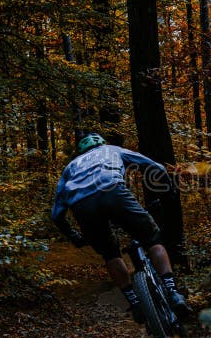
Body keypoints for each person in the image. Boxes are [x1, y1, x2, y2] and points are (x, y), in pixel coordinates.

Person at [50, 132, 190, 323]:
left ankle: (135, 304)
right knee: (152, 239)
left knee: (110, 254)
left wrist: (73, 235)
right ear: (102, 143)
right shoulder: (112, 150)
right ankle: (173, 292)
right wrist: (169, 190)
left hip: (82, 206)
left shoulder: (71, 167)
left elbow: (56, 214)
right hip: (113, 191)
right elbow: (153, 166)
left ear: (81, 151)